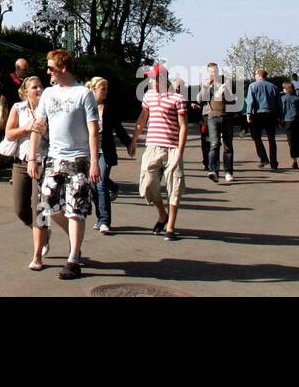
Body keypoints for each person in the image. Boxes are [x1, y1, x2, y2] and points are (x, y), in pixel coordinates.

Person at [27, 48, 99, 279]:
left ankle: (73, 258)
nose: (48, 72)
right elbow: (39, 125)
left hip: (78, 159)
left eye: (51, 68)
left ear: (64, 68)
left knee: (75, 209)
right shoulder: (48, 93)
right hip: (54, 159)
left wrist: (94, 161)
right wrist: (32, 157)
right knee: (46, 207)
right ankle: (73, 237)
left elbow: (93, 131)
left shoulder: (83, 94)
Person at [130, 63, 187, 240]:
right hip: (153, 146)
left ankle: (170, 227)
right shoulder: (148, 96)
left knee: (174, 187)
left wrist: (179, 151)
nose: (151, 81)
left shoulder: (177, 99)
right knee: (147, 184)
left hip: (172, 148)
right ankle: (162, 214)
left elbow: (183, 126)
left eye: (153, 78)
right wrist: (134, 140)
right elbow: (143, 118)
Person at [4, 75, 50, 270]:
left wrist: (44, 130)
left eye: (41, 86)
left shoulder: (49, 109)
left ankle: (37, 254)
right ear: (25, 91)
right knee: (21, 210)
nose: (39, 90)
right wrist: (27, 128)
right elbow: (9, 133)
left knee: (39, 208)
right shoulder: (18, 108)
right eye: (34, 87)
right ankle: (43, 232)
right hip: (21, 163)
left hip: (43, 162)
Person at [86, 76, 132, 235]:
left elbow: (118, 128)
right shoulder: (85, 106)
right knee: (93, 186)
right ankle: (100, 218)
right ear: (93, 90)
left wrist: (129, 143)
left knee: (100, 184)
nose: (105, 92)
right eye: (102, 89)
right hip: (89, 152)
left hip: (105, 151)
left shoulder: (109, 107)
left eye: (106, 88)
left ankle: (105, 221)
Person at [201, 62, 234, 182]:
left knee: (228, 146)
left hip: (226, 117)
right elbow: (199, 99)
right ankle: (213, 171)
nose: (213, 73)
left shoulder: (227, 82)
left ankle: (228, 172)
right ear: (208, 72)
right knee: (214, 144)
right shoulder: (206, 83)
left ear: (218, 71)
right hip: (212, 117)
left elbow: (234, 101)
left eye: (214, 71)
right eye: (210, 72)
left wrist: (227, 92)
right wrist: (205, 88)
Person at [245, 68, 282, 170]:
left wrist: (249, 113)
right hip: (271, 114)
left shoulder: (252, 86)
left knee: (256, 137)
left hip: (258, 114)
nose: (255, 76)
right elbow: (279, 103)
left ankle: (263, 157)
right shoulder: (274, 87)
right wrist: (279, 116)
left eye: (255, 74)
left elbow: (250, 101)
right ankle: (274, 162)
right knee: (271, 139)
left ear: (259, 75)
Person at [281, 81, 299, 168]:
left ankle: (294, 160)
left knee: (291, 141)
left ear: (287, 89)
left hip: (288, 121)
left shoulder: (284, 98)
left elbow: (282, 111)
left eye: (284, 88)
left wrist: (281, 121)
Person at [0, 57, 30, 128]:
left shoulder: (28, 80)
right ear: (17, 68)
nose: (27, 71)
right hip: (13, 114)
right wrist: (1, 116)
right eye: (24, 69)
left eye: (27, 69)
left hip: (27, 114)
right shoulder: (9, 79)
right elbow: (3, 97)